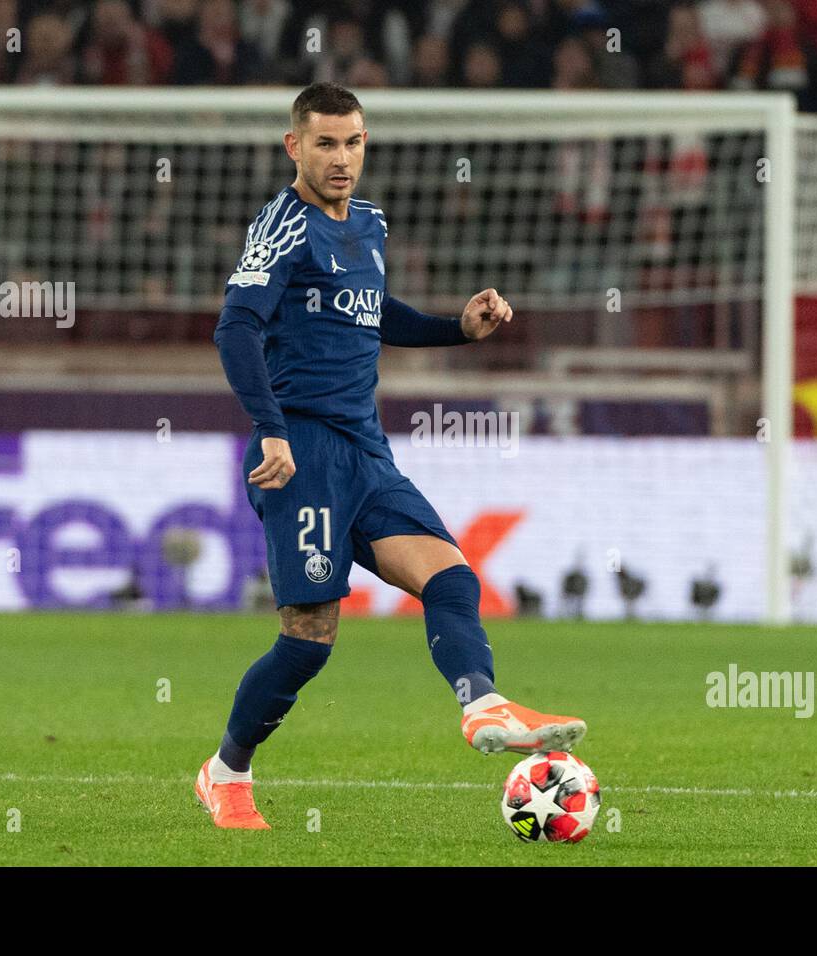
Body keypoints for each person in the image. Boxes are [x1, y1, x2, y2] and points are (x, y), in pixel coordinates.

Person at [197, 83, 587, 830]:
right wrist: (271, 428)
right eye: (325, 144)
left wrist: (456, 329)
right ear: (294, 147)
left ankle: (482, 704)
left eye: (353, 143)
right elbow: (235, 328)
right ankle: (225, 773)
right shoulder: (282, 229)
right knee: (309, 641)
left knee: (451, 576)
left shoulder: (370, 223)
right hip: (302, 449)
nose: (342, 159)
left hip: (365, 451)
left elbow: (373, 313)